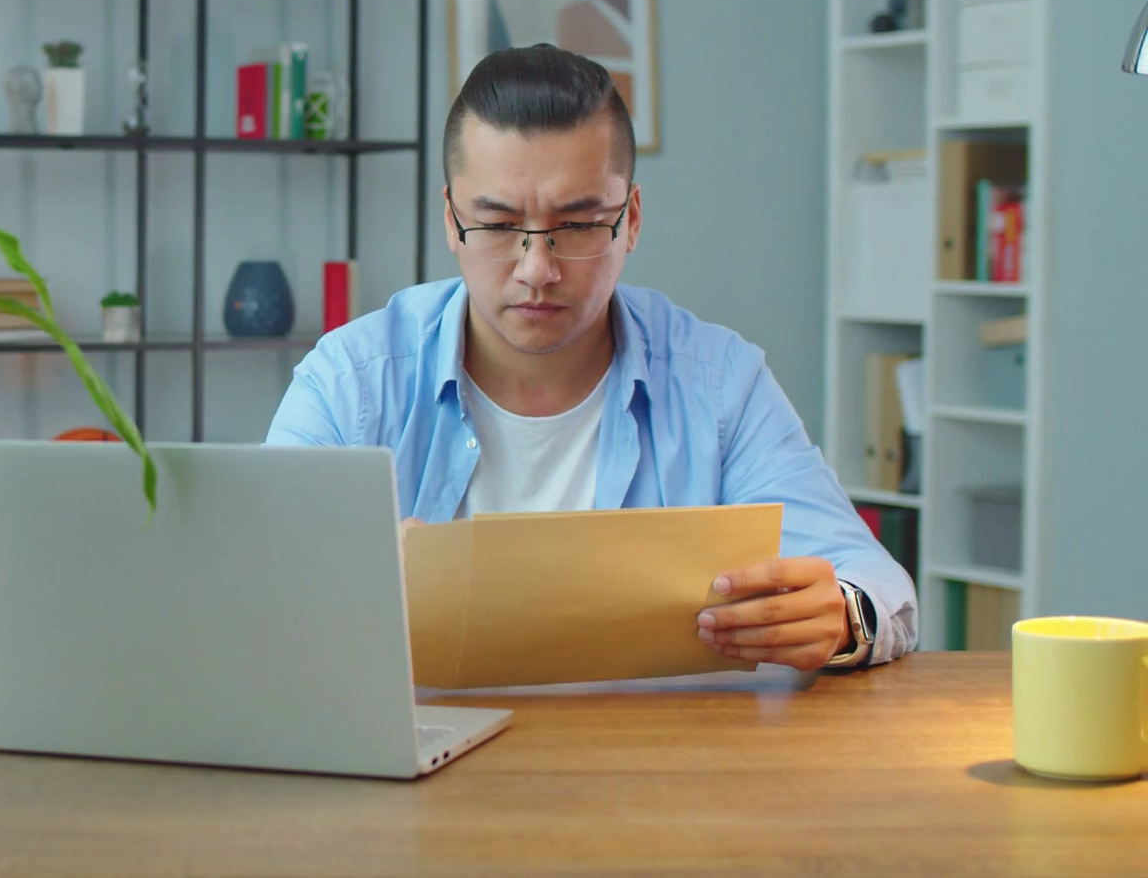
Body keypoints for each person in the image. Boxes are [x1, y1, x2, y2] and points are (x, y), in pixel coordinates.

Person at [266, 44, 916, 670]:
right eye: (495, 226)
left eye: (577, 225)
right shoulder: (352, 383)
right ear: (450, 217)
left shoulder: (719, 384)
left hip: (655, 766)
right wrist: (340, 585)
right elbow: (253, 588)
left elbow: (873, 583)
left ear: (630, 219)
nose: (537, 268)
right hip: (420, 761)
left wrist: (841, 618)